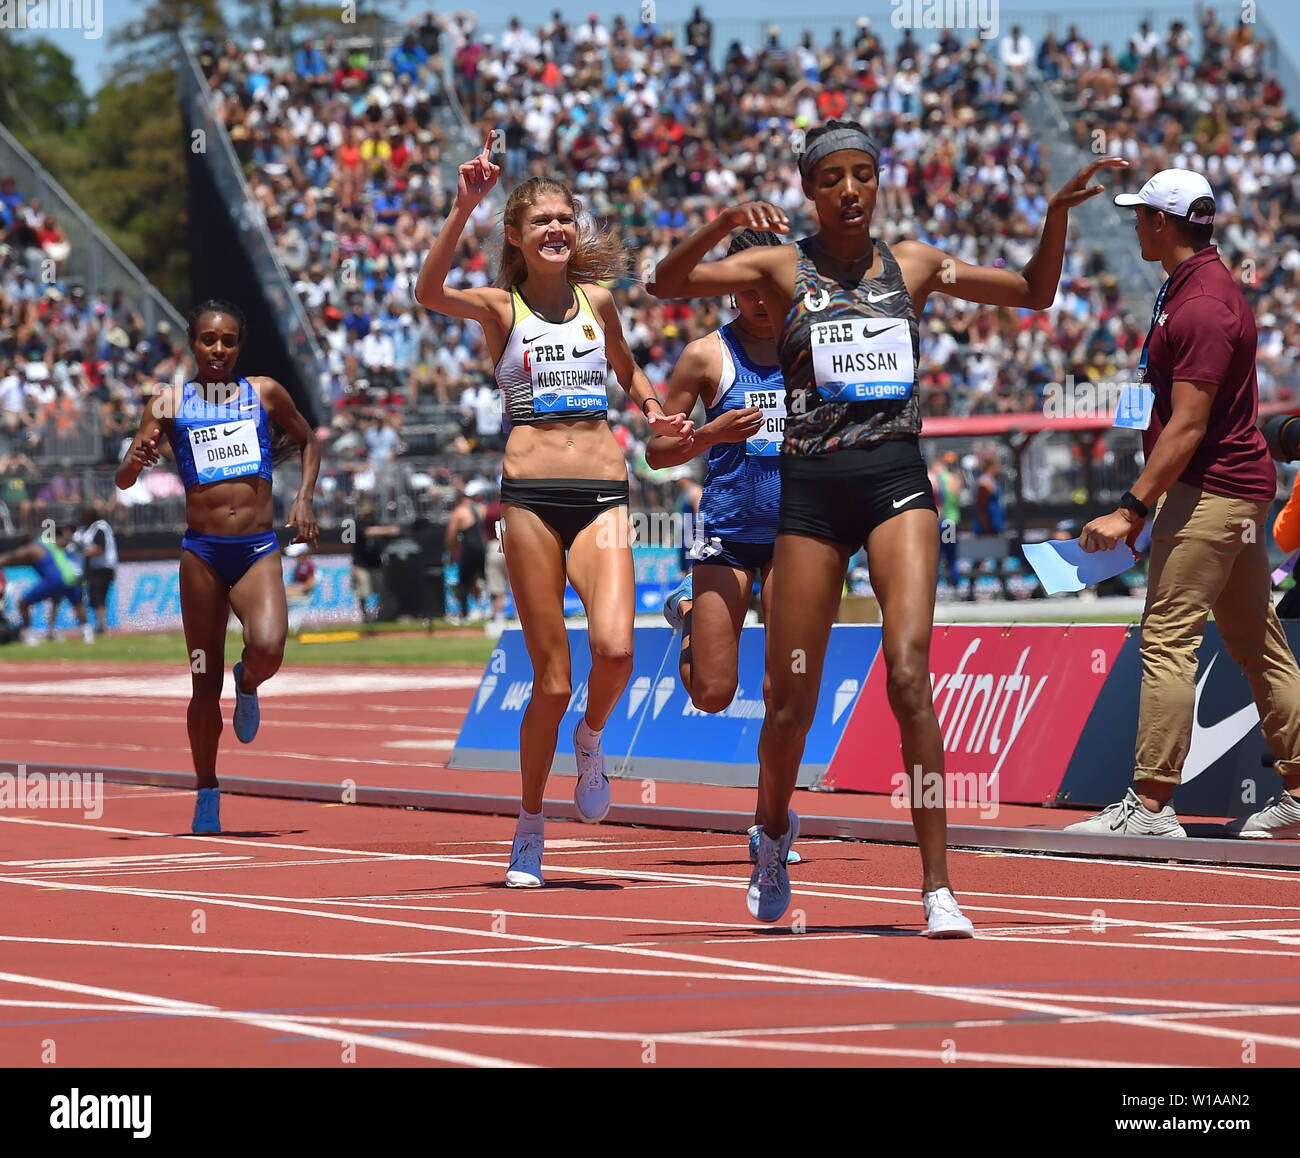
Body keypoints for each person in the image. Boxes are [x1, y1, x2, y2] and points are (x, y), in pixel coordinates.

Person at [650, 118, 1124, 932]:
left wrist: (1054, 213)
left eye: (860, 175)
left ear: (878, 181)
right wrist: (726, 222)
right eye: (830, 178)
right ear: (809, 189)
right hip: (812, 499)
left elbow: (1034, 292)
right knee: (789, 697)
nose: (848, 191)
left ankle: (938, 884)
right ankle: (770, 830)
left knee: (909, 675)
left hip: (897, 484)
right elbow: (666, 283)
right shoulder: (779, 263)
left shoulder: (912, 265)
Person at [414, 141, 692, 887]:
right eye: (541, 220)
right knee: (554, 680)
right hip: (531, 498)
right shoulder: (498, 308)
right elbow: (427, 290)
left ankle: (592, 740)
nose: (557, 229)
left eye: (565, 218)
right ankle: (530, 822)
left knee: (619, 652)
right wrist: (465, 203)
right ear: (517, 234)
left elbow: (627, 367)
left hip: (602, 490)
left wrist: (656, 412)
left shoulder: (597, 303)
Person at [1069, 169, 1300, 840]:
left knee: (1169, 641)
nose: (1136, 223)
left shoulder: (1200, 303)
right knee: (1259, 643)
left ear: (1162, 224)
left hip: (1211, 489)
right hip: (1228, 490)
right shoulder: (1190, 286)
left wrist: (1132, 508)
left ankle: (1149, 805)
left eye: (1142, 215)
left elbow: (1191, 424)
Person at [115, 299, 320, 836]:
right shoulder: (167, 402)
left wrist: (303, 500)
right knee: (202, 687)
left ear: (239, 345)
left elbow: (308, 439)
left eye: (228, 340)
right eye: (209, 340)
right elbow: (123, 479)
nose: (219, 350)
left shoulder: (264, 392)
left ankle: (248, 682)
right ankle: (207, 787)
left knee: (271, 647)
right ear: (192, 343)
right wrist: (136, 458)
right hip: (203, 555)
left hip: (256, 548)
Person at [648, 228, 802, 867]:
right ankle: (686, 613)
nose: (761, 299)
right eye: (748, 286)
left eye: (771, 286)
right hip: (728, 534)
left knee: (786, 693)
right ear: (731, 286)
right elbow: (657, 453)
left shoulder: (814, 351)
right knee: (712, 692)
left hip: (799, 537)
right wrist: (708, 433)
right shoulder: (707, 357)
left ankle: (771, 818)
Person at [0, 529, 94, 645]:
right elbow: (64, 543)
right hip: (69, 577)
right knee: (77, 604)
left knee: (23, 603)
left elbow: (13, 557)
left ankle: (29, 635)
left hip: (54, 579)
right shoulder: (49, 544)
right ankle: (88, 633)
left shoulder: (31, 548)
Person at [967, 449, 1011, 601]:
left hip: (995, 526)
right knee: (979, 558)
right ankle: (970, 590)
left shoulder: (992, 481)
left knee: (999, 559)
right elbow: (981, 509)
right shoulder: (984, 483)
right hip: (987, 528)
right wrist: (987, 527)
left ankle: (1005, 589)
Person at [446, 476, 489, 622]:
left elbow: (451, 537)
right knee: (486, 579)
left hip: (469, 549)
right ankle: (490, 611)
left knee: (464, 582)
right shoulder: (482, 508)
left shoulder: (459, 512)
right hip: (484, 549)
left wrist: (451, 551)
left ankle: (465, 613)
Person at [351, 500, 397, 629]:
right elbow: (368, 532)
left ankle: (377, 614)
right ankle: (365, 615)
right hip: (361, 564)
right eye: (367, 514)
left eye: (370, 514)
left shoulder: (377, 524)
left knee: (380, 591)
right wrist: (389, 530)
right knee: (362, 592)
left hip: (376, 563)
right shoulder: (357, 525)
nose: (369, 516)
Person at [73, 504, 117, 637]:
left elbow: (100, 548)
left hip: (102, 567)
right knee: (95, 597)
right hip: (97, 568)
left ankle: (101, 625)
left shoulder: (99, 528)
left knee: (99, 597)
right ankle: (100, 624)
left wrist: (82, 554)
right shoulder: (91, 529)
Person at [929, 451, 962, 590]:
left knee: (937, 556)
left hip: (942, 520)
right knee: (951, 557)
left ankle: (935, 587)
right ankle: (955, 585)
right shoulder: (956, 478)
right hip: (952, 521)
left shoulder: (937, 478)